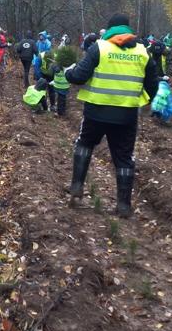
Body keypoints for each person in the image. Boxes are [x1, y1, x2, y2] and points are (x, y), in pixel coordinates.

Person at [64, 14, 158, 218]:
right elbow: (153, 85)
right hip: (126, 116)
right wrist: (141, 100)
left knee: (85, 144)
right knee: (124, 158)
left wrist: (67, 74)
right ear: (128, 30)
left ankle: (77, 186)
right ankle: (123, 206)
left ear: (109, 30)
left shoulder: (99, 48)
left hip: (96, 112)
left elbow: (79, 76)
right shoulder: (143, 53)